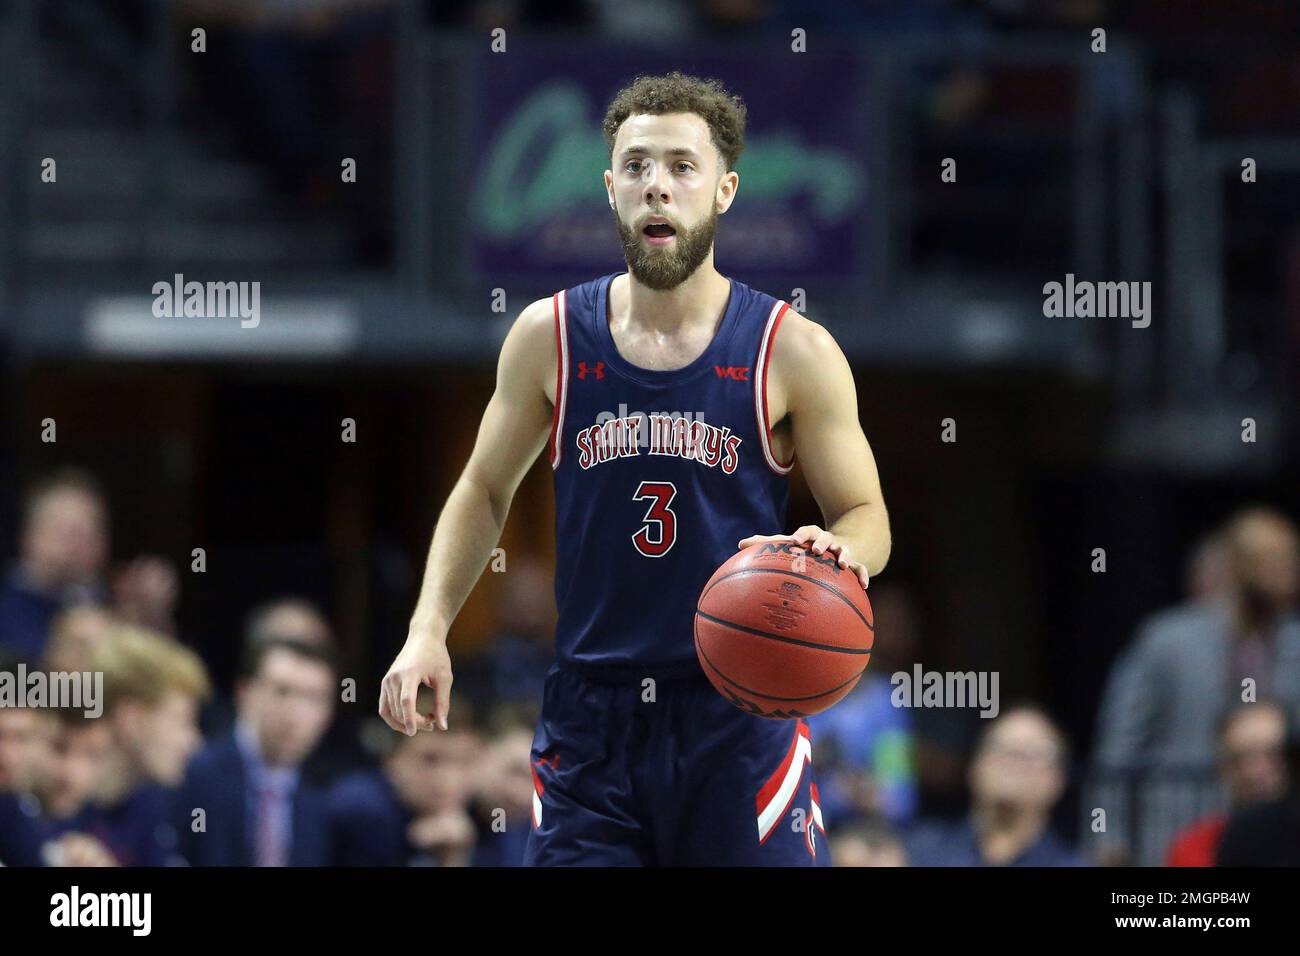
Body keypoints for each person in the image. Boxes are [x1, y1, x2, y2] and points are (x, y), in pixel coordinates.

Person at [379, 71, 891, 865]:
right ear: (610, 186)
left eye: (682, 167)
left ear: (723, 190)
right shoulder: (547, 336)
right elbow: (482, 488)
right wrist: (427, 631)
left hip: (737, 708)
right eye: (639, 165)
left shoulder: (793, 349)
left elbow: (866, 513)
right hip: (593, 718)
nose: (658, 186)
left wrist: (843, 552)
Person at [175, 637, 336, 866]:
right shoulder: (195, 772)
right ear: (245, 692)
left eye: (313, 698)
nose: (295, 713)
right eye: (282, 691)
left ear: (328, 714)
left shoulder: (327, 798)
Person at [84, 626, 211, 866]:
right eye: (182, 720)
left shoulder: (154, 811)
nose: (193, 741)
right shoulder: (53, 806)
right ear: (130, 720)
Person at [904, 705, 1083, 867]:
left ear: (1058, 780)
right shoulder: (917, 852)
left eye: (1034, 754)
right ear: (974, 766)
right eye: (1001, 748)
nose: (1014, 764)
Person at [0, 469, 111, 659]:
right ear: (30, 537)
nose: (76, 544)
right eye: (65, 531)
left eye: (88, 532)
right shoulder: (5, 611)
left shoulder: (116, 609)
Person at [1166, 701, 1288, 866]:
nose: (1254, 772)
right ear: (1222, 769)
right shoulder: (1194, 849)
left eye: (1272, 755)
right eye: (1238, 759)